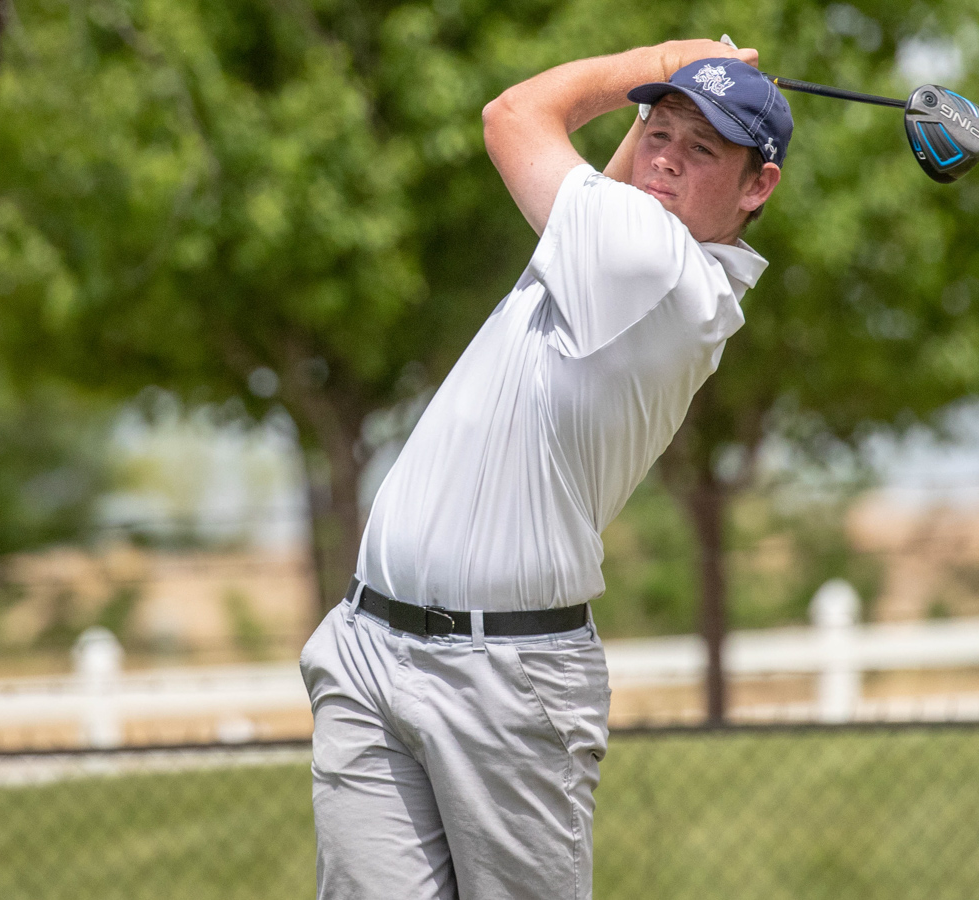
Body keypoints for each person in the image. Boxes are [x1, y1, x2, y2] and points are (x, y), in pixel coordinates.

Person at [298, 38, 793, 900]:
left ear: (758, 188)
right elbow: (607, 176)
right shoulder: (614, 241)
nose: (664, 160)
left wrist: (667, 56)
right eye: (657, 131)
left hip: (506, 682)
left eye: (701, 150)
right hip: (371, 648)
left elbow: (512, 115)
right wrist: (667, 99)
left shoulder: (657, 263)